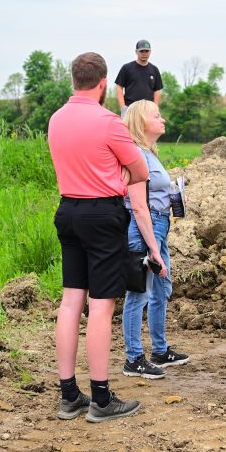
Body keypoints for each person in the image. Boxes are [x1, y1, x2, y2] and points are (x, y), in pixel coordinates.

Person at [48, 51, 149, 423]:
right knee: (102, 305)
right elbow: (140, 171)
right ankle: (102, 398)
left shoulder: (56, 119)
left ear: (73, 80)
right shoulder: (109, 122)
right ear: (104, 83)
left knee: (71, 300)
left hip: (68, 211)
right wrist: (118, 179)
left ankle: (68, 394)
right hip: (102, 214)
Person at [120, 100, 190, 379]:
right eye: (156, 115)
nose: (163, 120)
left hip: (159, 225)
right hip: (144, 228)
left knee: (161, 289)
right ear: (140, 122)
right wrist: (152, 246)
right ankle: (134, 358)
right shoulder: (135, 154)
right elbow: (138, 206)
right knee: (139, 292)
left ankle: (160, 350)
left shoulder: (150, 153)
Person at [115, 39, 163, 114]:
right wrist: (123, 108)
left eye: (146, 51)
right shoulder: (127, 68)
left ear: (150, 52)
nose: (144, 53)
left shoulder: (154, 70)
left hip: (148, 110)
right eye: (141, 51)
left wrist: (155, 108)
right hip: (130, 109)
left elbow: (157, 90)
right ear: (136, 52)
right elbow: (119, 87)